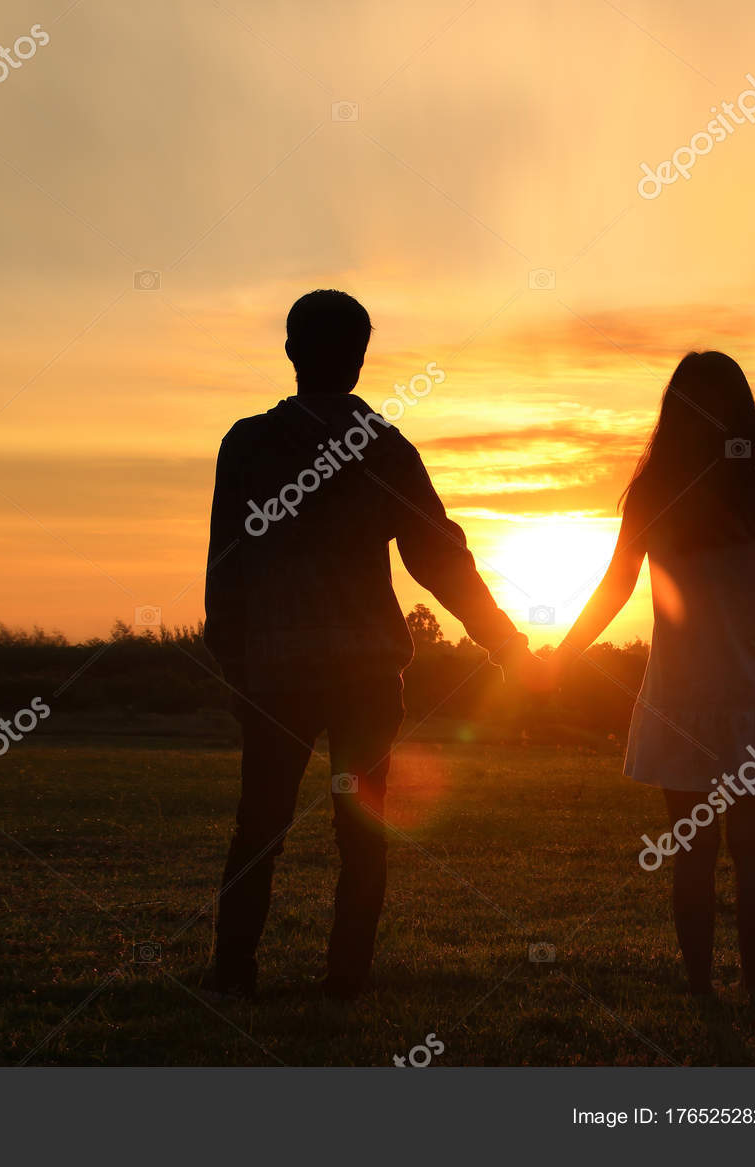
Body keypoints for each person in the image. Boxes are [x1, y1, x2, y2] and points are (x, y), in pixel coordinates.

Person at [202, 289, 536, 1002]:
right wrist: (503, 640)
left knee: (259, 823)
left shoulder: (249, 443)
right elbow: (439, 558)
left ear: (292, 350)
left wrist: (232, 659)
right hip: (361, 671)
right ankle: (344, 976)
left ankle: (233, 972)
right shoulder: (383, 447)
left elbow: (224, 567)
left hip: (276, 669)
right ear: (358, 359)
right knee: (360, 827)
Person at [549, 351, 755, 1003]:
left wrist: (562, 654)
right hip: (728, 692)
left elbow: (619, 588)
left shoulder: (674, 490)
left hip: (710, 693)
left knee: (716, 853)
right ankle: (733, 992)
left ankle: (726, 993)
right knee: (736, 850)